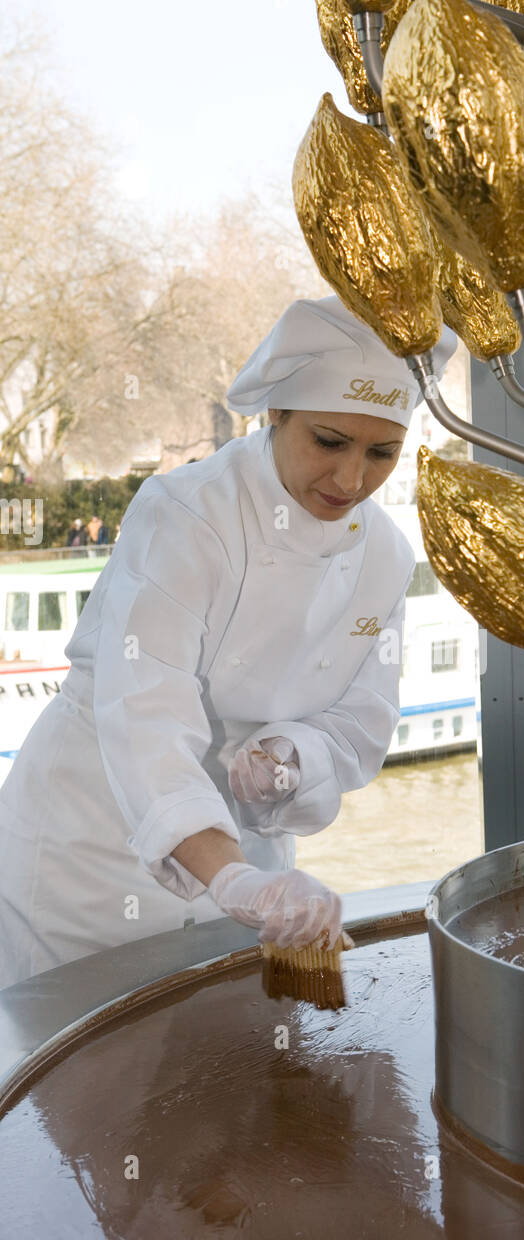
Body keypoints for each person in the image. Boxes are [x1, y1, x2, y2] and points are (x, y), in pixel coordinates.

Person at [0, 296, 456, 988]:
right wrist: (234, 877)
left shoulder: (387, 556)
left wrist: (289, 758)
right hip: (90, 850)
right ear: (277, 414)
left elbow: (362, 723)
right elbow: (145, 711)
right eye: (329, 442)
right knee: (74, 1073)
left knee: (218, 1064)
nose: (351, 479)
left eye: (382, 452)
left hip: (247, 859)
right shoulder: (185, 513)